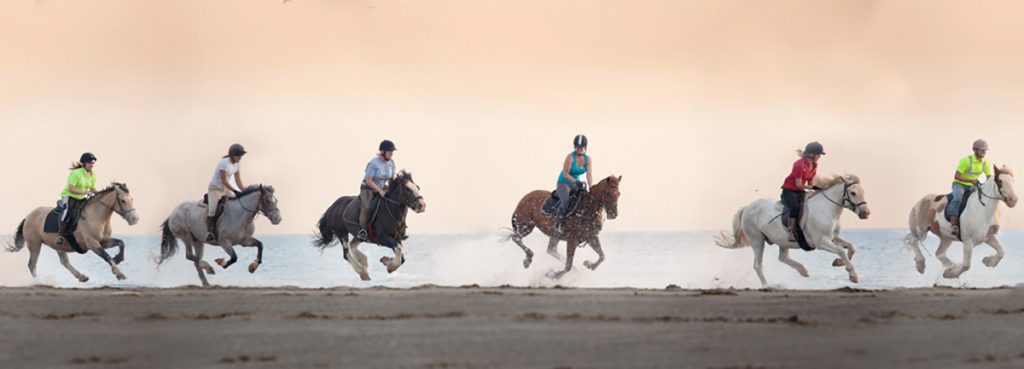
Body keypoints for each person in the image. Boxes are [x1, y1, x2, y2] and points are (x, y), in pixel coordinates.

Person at [781, 142, 823, 248]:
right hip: (789, 191)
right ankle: (791, 232)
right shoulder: (799, 164)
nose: (819, 157)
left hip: (800, 191)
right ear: (812, 154)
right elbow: (798, 184)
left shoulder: (814, 165)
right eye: (818, 154)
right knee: (795, 208)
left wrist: (816, 190)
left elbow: (810, 183)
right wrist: (813, 188)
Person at [947, 139, 992, 237]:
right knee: (957, 199)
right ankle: (954, 225)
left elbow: (989, 176)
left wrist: (983, 183)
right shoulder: (966, 160)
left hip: (973, 186)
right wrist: (971, 181)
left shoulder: (985, 163)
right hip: (959, 184)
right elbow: (957, 176)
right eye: (982, 150)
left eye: (985, 150)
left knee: (981, 200)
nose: (984, 152)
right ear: (975, 150)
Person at [357, 140, 397, 241]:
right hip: (368, 188)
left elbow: (392, 180)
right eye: (390, 151)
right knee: (366, 206)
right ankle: (362, 230)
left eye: (392, 151)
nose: (392, 153)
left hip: (382, 187)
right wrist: (379, 190)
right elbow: (368, 180)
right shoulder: (374, 163)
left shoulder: (391, 163)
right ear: (383, 152)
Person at [206, 144, 246, 242]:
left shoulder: (237, 165)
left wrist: (245, 191)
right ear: (232, 155)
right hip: (215, 188)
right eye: (238, 155)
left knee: (236, 204)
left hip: (225, 189)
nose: (240, 157)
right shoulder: (223, 163)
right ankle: (209, 232)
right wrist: (235, 191)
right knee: (213, 210)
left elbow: (238, 181)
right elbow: (224, 181)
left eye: (241, 155)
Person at [56, 152, 99, 245]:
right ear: (83, 163)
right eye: (89, 163)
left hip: (81, 198)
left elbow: (92, 188)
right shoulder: (76, 173)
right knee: (67, 212)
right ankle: (61, 235)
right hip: (69, 196)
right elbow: (71, 189)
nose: (91, 165)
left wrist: (99, 194)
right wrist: (85, 192)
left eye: (92, 163)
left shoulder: (92, 175)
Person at [555, 135, 593, 235]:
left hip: (576, 183)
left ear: (585, 147)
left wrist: (591, 187)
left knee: (583, 199)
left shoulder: (588, 159)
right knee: (566, 200)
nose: (579, 149)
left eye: (582, 147)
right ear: (575, 147)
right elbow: (565, 174)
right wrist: (576, 182)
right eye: (577, 147)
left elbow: (589, 174)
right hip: (564, 182)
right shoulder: (570, 157)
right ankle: (559, 225)